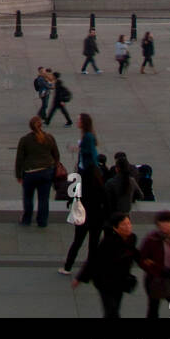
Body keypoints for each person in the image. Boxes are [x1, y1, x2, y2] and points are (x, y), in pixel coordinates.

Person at [60, 114, 105, 274]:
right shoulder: (96, 181)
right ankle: (92, 267)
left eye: (79, 119)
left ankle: (68, 267)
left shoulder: (85, 179)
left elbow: (88, 156)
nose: (77, 121)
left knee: (78, 241)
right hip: (95, 216)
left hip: (84, 215)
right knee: (93, 242)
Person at [73, 214, 141, 319]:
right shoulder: (108, 242)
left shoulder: (132, 238)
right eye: (124, 224)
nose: (128, 227)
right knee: (112, 311)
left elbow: (134, 253)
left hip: (120, 281)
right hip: (105, 281)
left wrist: (146, 262)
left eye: (129, 223)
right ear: (115, 228)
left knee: (114, 308)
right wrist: (80, 278)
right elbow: (93, 260)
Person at [15, 115, 60, 228]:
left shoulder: (25, 140)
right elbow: (56, 155)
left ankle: (27, 219)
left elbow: (19, 159)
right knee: (44, 198)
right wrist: (53, 167)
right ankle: (42, 221)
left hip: (30, 173)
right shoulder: (49, 138)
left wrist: (18, 175)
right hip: (46, 171)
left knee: (28, 197)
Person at [139, 212, 170, 319]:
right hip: (155, 278)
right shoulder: (151, 239)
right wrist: (158, 270)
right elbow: (142, 259)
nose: (167, 225)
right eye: (164, 222)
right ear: (158, 224)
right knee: (154, 307)